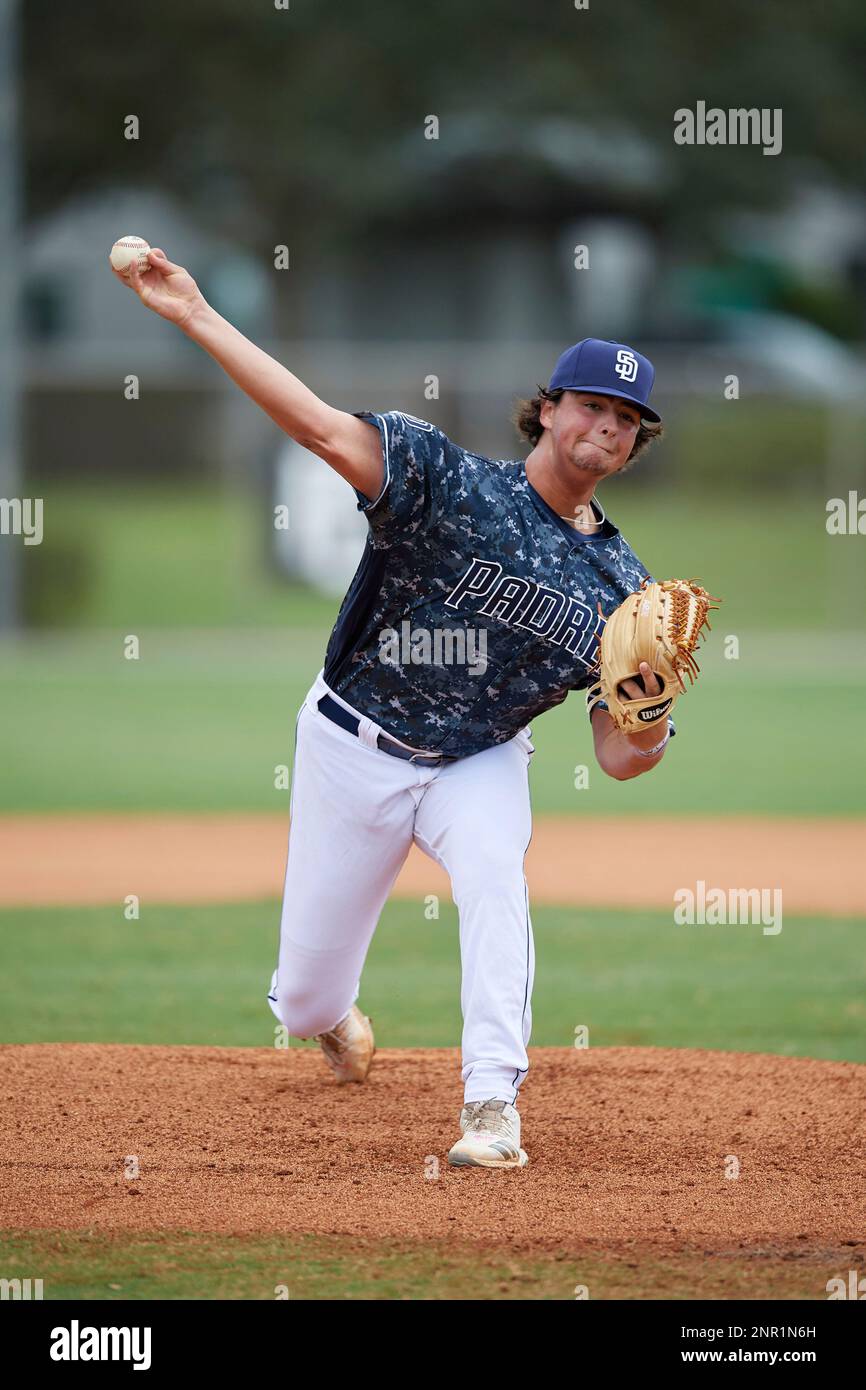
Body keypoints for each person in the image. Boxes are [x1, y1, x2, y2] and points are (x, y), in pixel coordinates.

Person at [113, 246, 670, 1169]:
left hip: (479, 759)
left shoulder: (624, 586)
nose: (605, 428)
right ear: (550, 408)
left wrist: (648, 715)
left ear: (635, 443)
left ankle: (492, 1106)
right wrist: (196, 314)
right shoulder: (450, 480)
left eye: (626, 420)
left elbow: (619, 755)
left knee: (496, 877)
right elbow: (324, 432)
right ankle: (331, 1017)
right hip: (351, 744)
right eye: (591, 406)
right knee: (300, 1000)